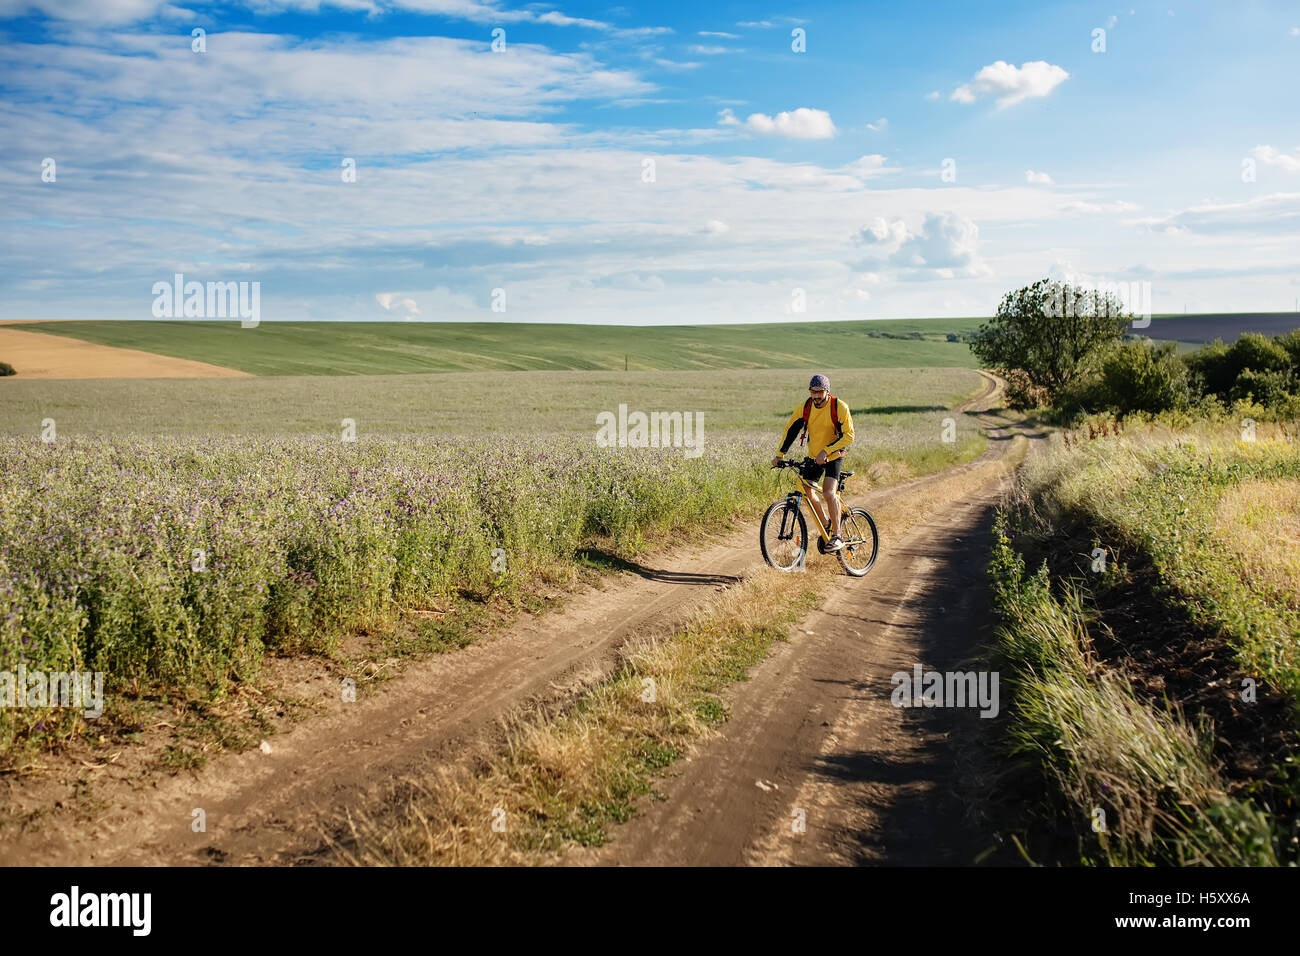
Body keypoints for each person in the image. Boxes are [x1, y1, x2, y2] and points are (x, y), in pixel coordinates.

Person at [771, 373, 855, 551]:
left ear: (827, 391)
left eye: (820, 392)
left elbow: (849, 435)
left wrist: (827, 450)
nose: (816, 396)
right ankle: (826, 524)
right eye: (813, 392)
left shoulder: (839, 407)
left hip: (834, 456)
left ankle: (837, 536)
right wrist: (780, 455)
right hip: (814, 456)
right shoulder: (806, 407)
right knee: (806, 487)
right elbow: (791, 431)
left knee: (828, 492)